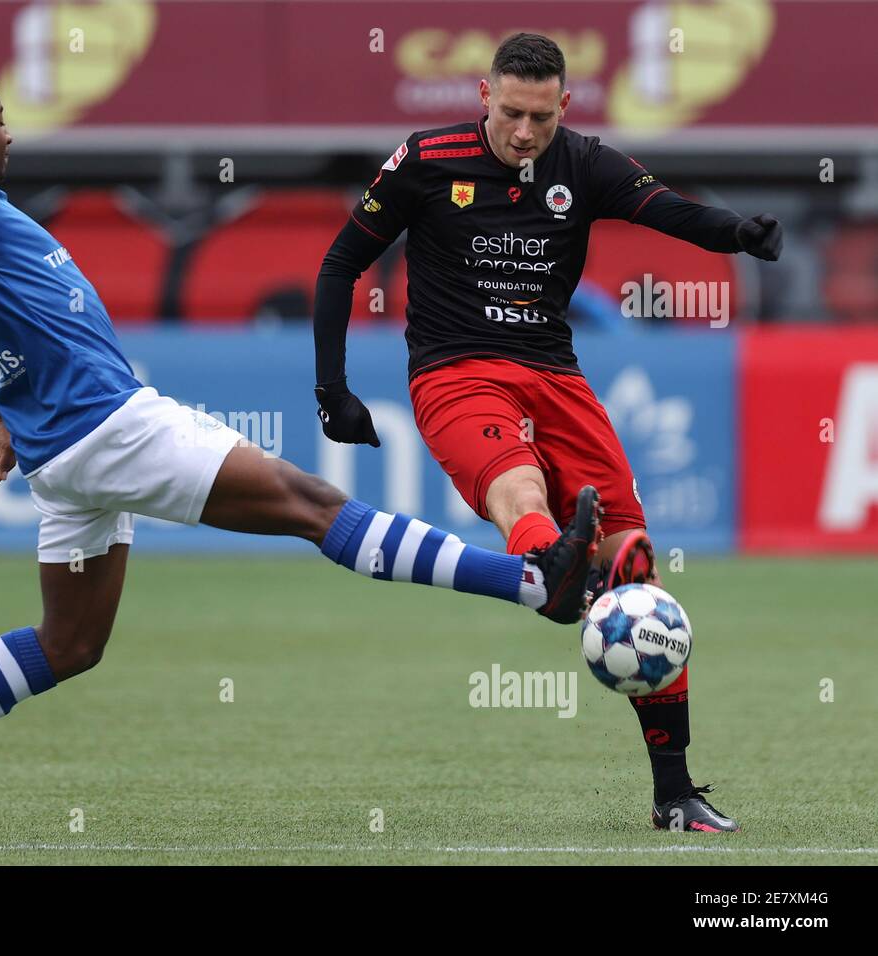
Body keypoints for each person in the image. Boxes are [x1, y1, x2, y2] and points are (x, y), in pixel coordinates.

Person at [0, 57, 601, 844]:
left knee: (69, 644)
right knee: (313, 507)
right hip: (110, 427)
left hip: (62, 457)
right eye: (0, 118)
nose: (9, 133)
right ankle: (536, 583)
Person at [311, 33, 783, 832]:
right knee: (518, 487)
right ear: (484, 96)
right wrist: (334, 389)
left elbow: (667, 210)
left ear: (563, 107)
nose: (525, 133)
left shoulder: (585, 162)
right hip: (456, 373)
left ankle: (675, 795)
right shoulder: (427, 159)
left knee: (638, 572)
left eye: (540, 116)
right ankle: (553, 566)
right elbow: (339, 265)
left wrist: (738, 233)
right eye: (511, 113)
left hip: (559, 380)